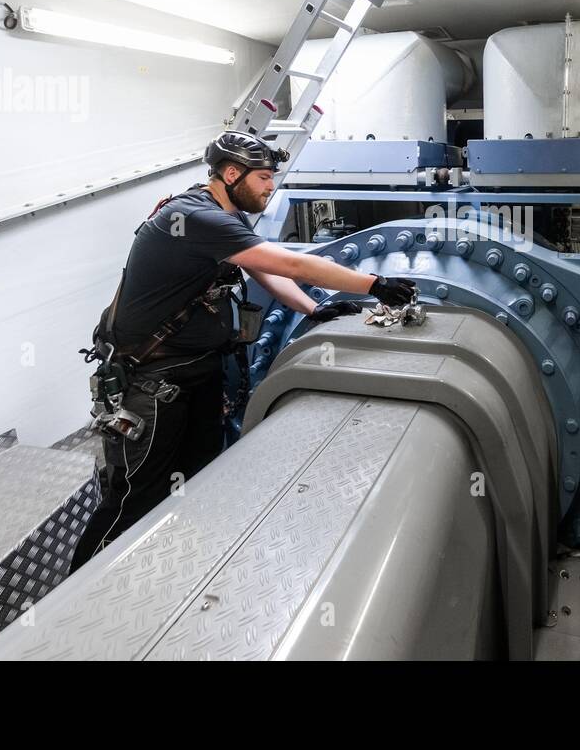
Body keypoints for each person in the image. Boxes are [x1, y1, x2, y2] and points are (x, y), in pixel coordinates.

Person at [70, 130, 415, 570]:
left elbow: (261, 267)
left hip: (197, 374)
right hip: (152, 386)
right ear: (232, 174)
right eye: (265, 177)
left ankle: (168, 570)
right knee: (135, 496)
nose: (271, 187)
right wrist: (375, 285)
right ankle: (77, 592)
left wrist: (311, 308)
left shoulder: (222, 215)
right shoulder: (195, 217)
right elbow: (288, 263)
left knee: (197, 478)